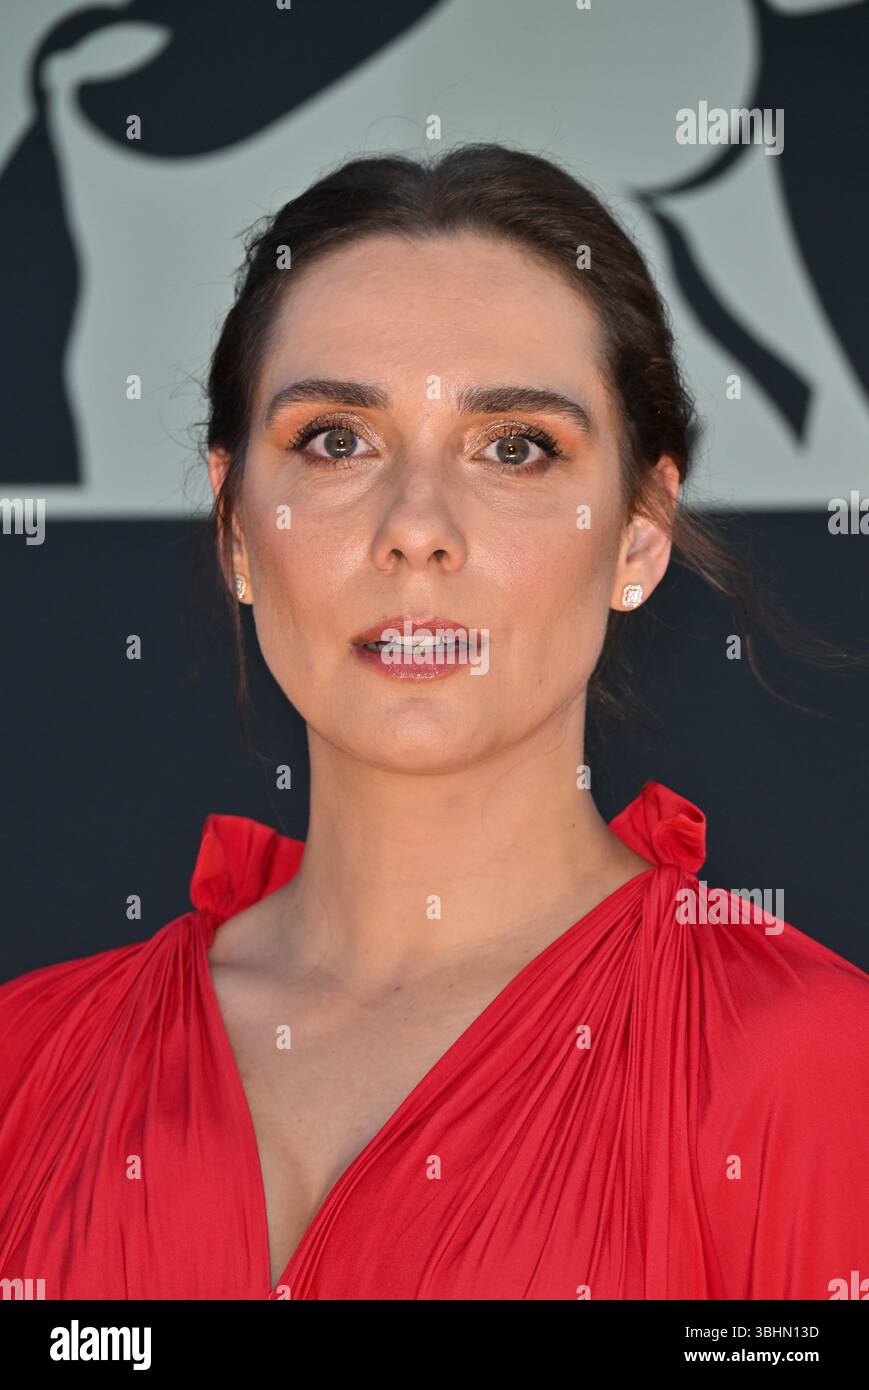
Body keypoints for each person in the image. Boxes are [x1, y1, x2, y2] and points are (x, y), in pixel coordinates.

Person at [1, 143, 867, 1301]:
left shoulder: (813, 1069)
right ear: (235, 528)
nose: (417, 527)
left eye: (514, 447)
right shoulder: (24, 1067)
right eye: (335, 439)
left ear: (637, 535)